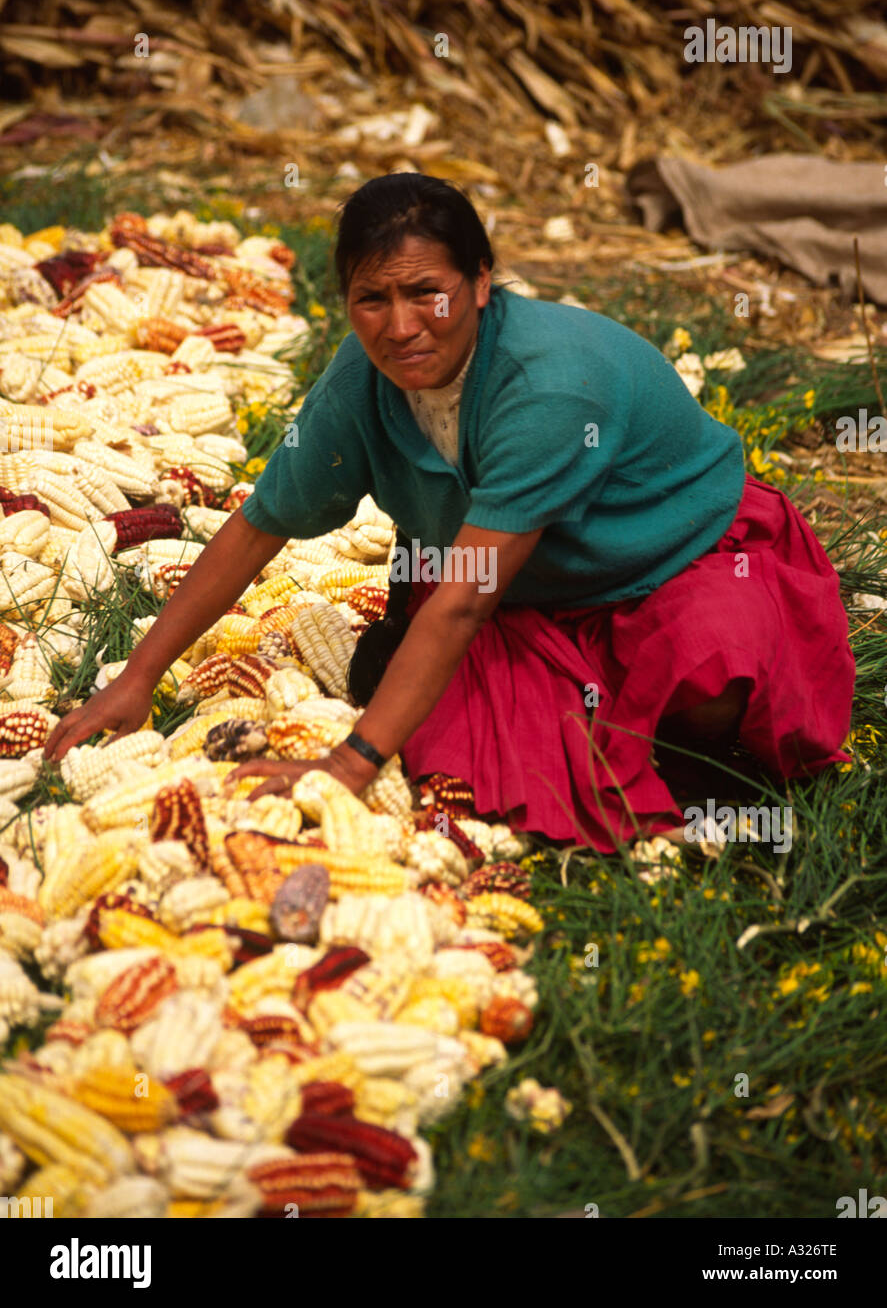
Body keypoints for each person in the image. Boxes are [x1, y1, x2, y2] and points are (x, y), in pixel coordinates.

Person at [43, 173, 855, 852]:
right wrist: (138, 678)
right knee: (434, 736)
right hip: (523, 585)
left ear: (479, 282)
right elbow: (262, 521)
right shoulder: (363, 381)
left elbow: (464, 598)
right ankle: (595, 724)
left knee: (712, 688)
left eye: (426, 294)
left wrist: (350, 768)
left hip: (672, 559)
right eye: (371, 299)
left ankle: (663, 749)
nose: (399, 328)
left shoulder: (547, 388)